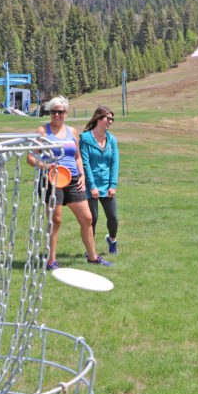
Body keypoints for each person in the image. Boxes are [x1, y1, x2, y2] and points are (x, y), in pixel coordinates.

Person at [26, 96, 113, 270]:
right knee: (55, 220)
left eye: (60, 112)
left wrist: (81, 175)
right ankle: (51, 260)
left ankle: (92, 257)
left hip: (72, 179)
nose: (56, 115)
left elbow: (77, 156)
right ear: (49, 113)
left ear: (66, 113)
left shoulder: (72, 132)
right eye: (53, 112)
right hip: (52, 178)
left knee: (87, 218)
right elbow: (30, 157)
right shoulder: (42, 131)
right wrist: (44, 165)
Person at [80, 106, 120, 255]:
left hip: (106, 185)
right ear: (98, 119)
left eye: (112, 119)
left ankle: (112, 240)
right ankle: (90, 250)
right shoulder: (85, 139)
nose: (110, 122)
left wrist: (113, 185)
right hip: (91, 185)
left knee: (113, 217)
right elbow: (85, 164)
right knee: (93, 218)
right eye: (108, 118)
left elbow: (114, 163)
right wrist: (92, 186)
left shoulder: (111, 140)